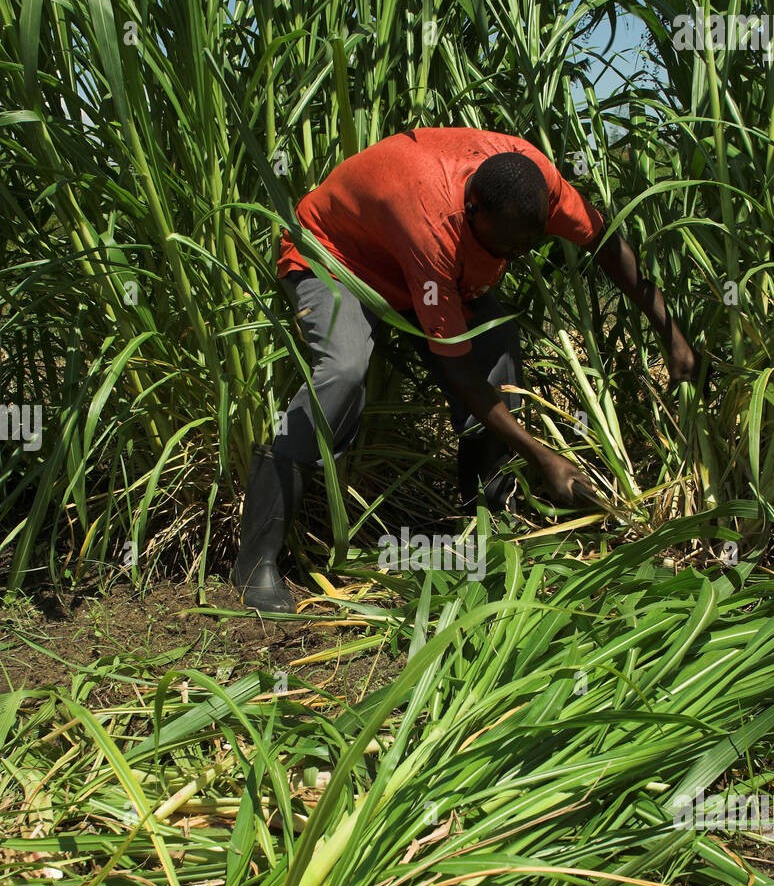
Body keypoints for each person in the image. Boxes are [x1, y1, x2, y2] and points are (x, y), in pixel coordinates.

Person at [232, 127, 699, 611]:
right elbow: (457, 369)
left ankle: (487, 529)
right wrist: (543, 457)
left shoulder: (536, 185)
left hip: (428, 272)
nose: (511, 260)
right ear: (473, 210)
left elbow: (607, 245)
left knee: (499, 354)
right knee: (344, 371)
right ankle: (255, 560)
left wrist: (672, 333)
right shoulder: (431, 223)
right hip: (337, 258)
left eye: (524, 250)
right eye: (503, 250)